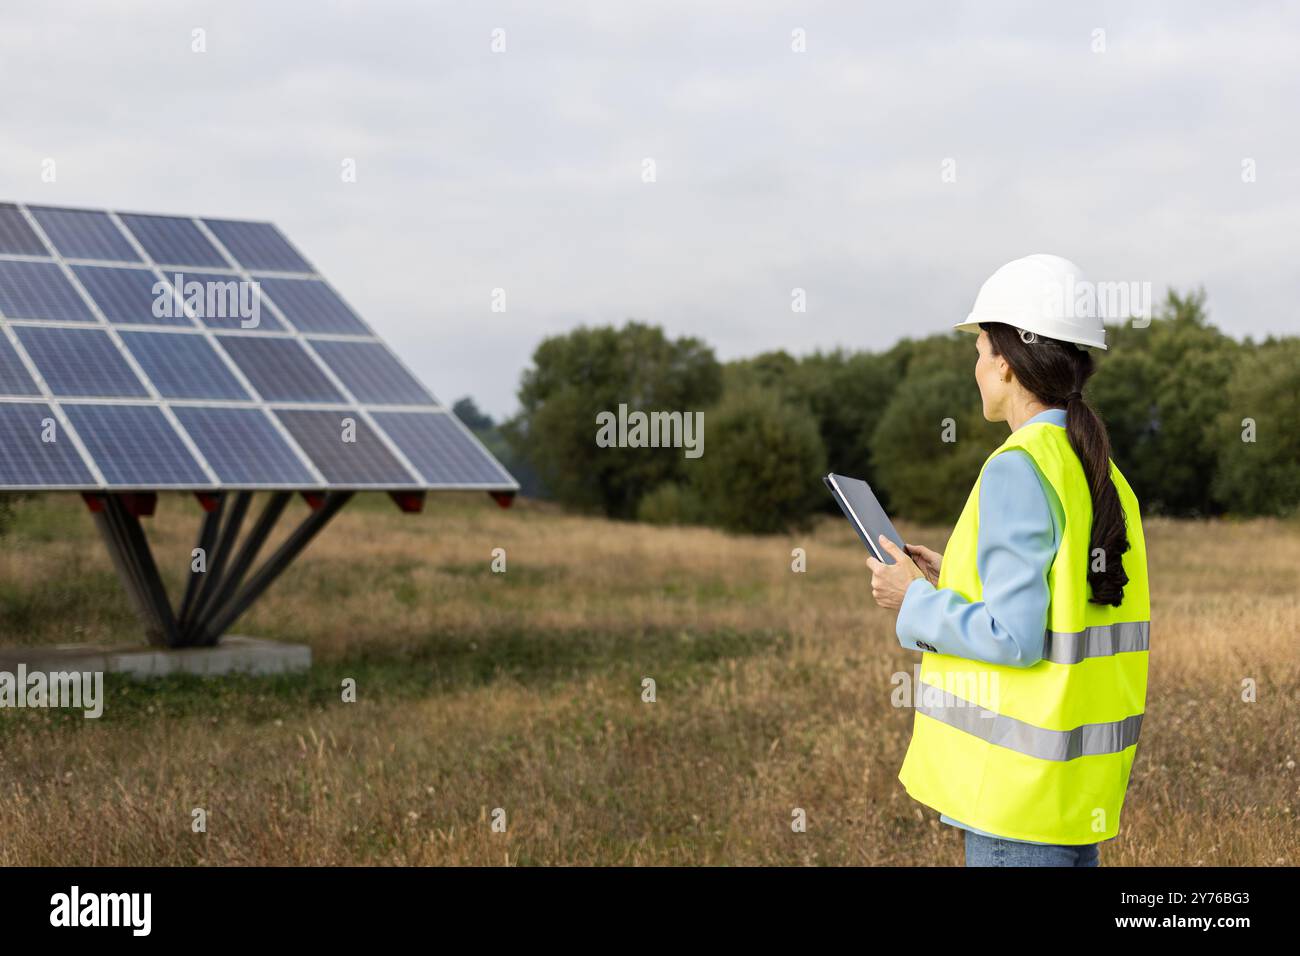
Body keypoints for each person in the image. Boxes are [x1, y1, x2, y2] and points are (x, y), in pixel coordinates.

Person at [867, 254, 1151, 867]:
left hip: (1013, 803)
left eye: (978, 351)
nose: (974, 368)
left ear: (1005, 359)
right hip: (1072, 801)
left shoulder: (1017, 466)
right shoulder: (1095, 468)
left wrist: (911, 600)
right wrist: (954, 576)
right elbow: (1065, 597)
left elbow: (1014, 637)